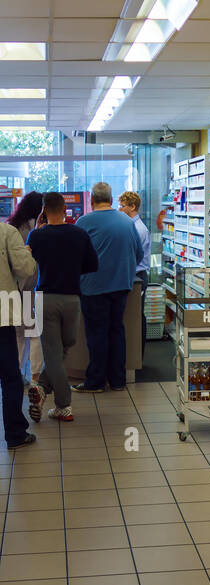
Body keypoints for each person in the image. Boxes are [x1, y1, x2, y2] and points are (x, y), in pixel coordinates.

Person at [27, 192, 99, 423]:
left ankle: (43, 390)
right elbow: (92, 265)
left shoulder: (36, 236)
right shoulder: (79, 233)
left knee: (55, 353)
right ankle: (62, 404)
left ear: (44, 211)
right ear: (66, 211)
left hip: (45, 298)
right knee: (64, 347)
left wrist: (38, 230)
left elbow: (27, 266)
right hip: (72, 299)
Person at [73, 181, 139, 393]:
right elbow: (138, 253)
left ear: (91, 200)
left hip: (93, 287)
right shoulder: (127, 222)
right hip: (121, 286)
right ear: (111, 200)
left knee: (97, 334)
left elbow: (74, 255)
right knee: (116, 331)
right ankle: (118, 380)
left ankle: (96, 381)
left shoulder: (84, 222)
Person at [0, 219, 37, 448]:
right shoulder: (6, 231)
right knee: (10, 376)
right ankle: (15, 434)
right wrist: (27, 254)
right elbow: (26, 269)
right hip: (1, 313)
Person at [7, 191, 43, 386]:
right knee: (34, 333)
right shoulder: (35, 229)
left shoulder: (12, 226)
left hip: (11, 290)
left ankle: (17, 373)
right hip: (28, 289)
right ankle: (35, 377)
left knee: (18, 335)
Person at [119, 190, 150, 366]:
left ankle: (138, 357)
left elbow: (133, 256)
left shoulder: (138, 229)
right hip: (133, 274)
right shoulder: (131, 226)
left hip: (137, 276)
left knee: (137, 316)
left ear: (132, 207)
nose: (119, 209)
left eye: (123, 205)